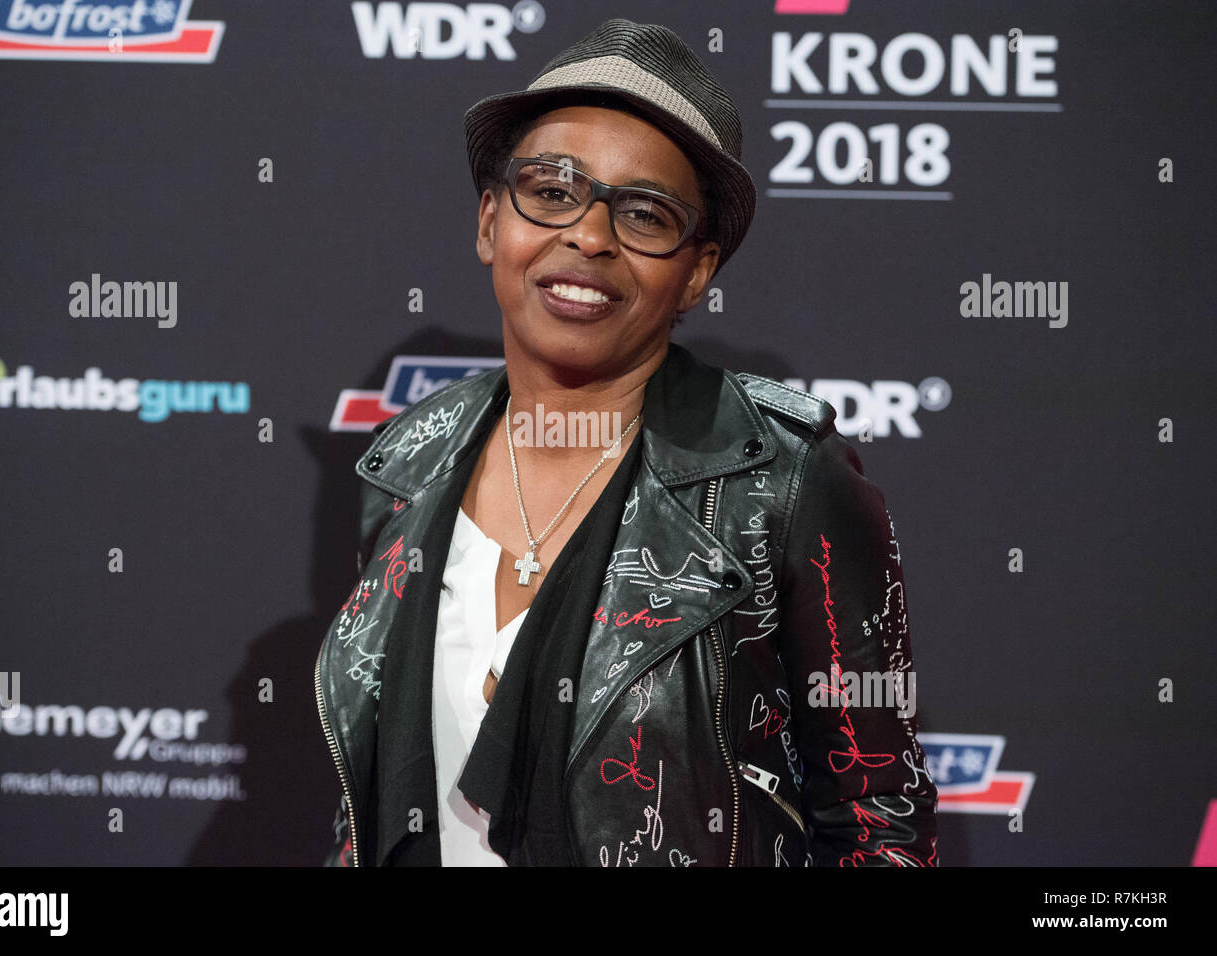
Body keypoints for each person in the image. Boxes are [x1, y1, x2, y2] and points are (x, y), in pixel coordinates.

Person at [316, 17, 938, 867]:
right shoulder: (406, 463)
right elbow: (366, 799)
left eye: (644, 214)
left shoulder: (785, 479)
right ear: (491, 222)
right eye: (552, 191)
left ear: (696, 272)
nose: (589, 236)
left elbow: (880, 820)